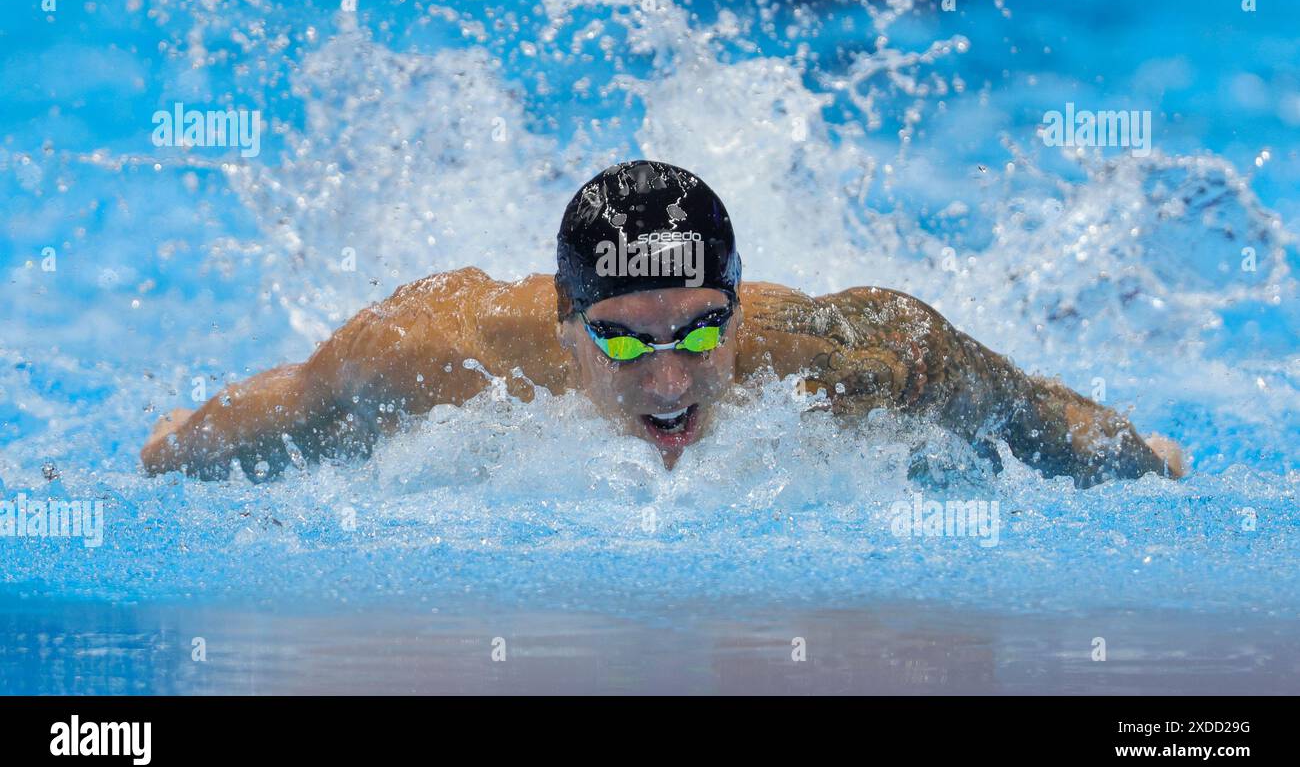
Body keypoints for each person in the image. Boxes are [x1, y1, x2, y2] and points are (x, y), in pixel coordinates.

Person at [141, 160, 1184, 486]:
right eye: (623, 337)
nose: (669, 374)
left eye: (698, 327)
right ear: (562, 330)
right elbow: (224, 435)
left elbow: (1029, 408)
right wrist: (163, 455)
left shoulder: (854, 355)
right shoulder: (428, 358)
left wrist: (1145, 463)